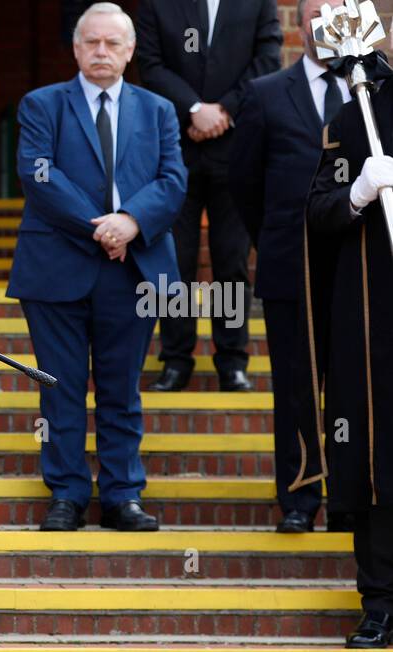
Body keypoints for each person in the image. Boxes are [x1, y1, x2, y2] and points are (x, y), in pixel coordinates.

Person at [7, 3, 186, 533]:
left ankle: (122, 495)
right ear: (76, 48)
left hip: (134, 267)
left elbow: (173, 180)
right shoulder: (42, 105)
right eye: (91, 42)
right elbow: (38, 175)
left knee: (121, 386)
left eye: (112, 43)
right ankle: (66, 493)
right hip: (57, 264)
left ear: (131, 51)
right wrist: (100, 227)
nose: (102, 52)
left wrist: (131, 221)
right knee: (59, 385)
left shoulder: (158, 110)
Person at [229, 0, 352, 534]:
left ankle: (351, 496)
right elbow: (244, 185)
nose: (326, 22)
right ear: (298, 24)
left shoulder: (374, 93)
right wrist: (275, 240)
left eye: (340, 12)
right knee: (298, 385)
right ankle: (301, 496)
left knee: (354, 388)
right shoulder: (265, 95)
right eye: (317, 13)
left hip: (360, 270)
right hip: (291, 266)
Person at [296, 51, 393, 648]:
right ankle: (380, 601)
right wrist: (357, 193)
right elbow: (317, 213)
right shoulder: (360, 116)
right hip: (377, 317)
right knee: (381, 460)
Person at [137, 0, 282, 392]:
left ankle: (232, 361)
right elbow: (149, 63)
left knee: (231, 262)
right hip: (172, 150)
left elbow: (268, 59)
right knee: (174, 262)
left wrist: (223, 111)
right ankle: (176, 359)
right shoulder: (156, 4)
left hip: (237, 148)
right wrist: (195, 109)